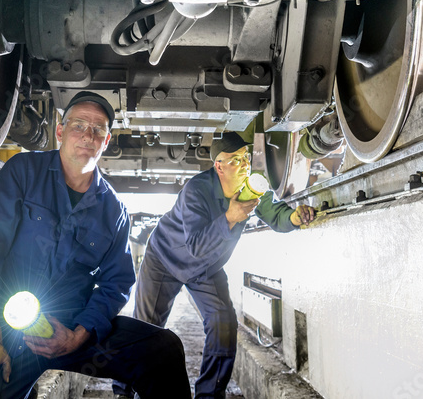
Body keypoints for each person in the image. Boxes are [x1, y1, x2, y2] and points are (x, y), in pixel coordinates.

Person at [0, 91, 191, 399]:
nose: (87, 135)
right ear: (60, 131)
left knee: (163, 349)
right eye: (79, 125)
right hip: (6, 325)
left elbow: (116, 284)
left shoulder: (114, 211)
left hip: (68, 327)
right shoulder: (22, 173)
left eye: (98, 130)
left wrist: (79, 334)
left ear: (105, 142)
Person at [114, 132, 315, 399]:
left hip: (205, 269)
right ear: (219, 166)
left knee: (223, 323)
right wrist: (230, 218)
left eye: (245, 158)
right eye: (236, 160)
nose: (244, 165)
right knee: (146, 328)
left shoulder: (253, 187)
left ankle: (210, 394)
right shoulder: (197, 190)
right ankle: (124, 390)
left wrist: (294, 217)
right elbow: (195, 246)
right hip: (164, 260)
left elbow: (275, 214)